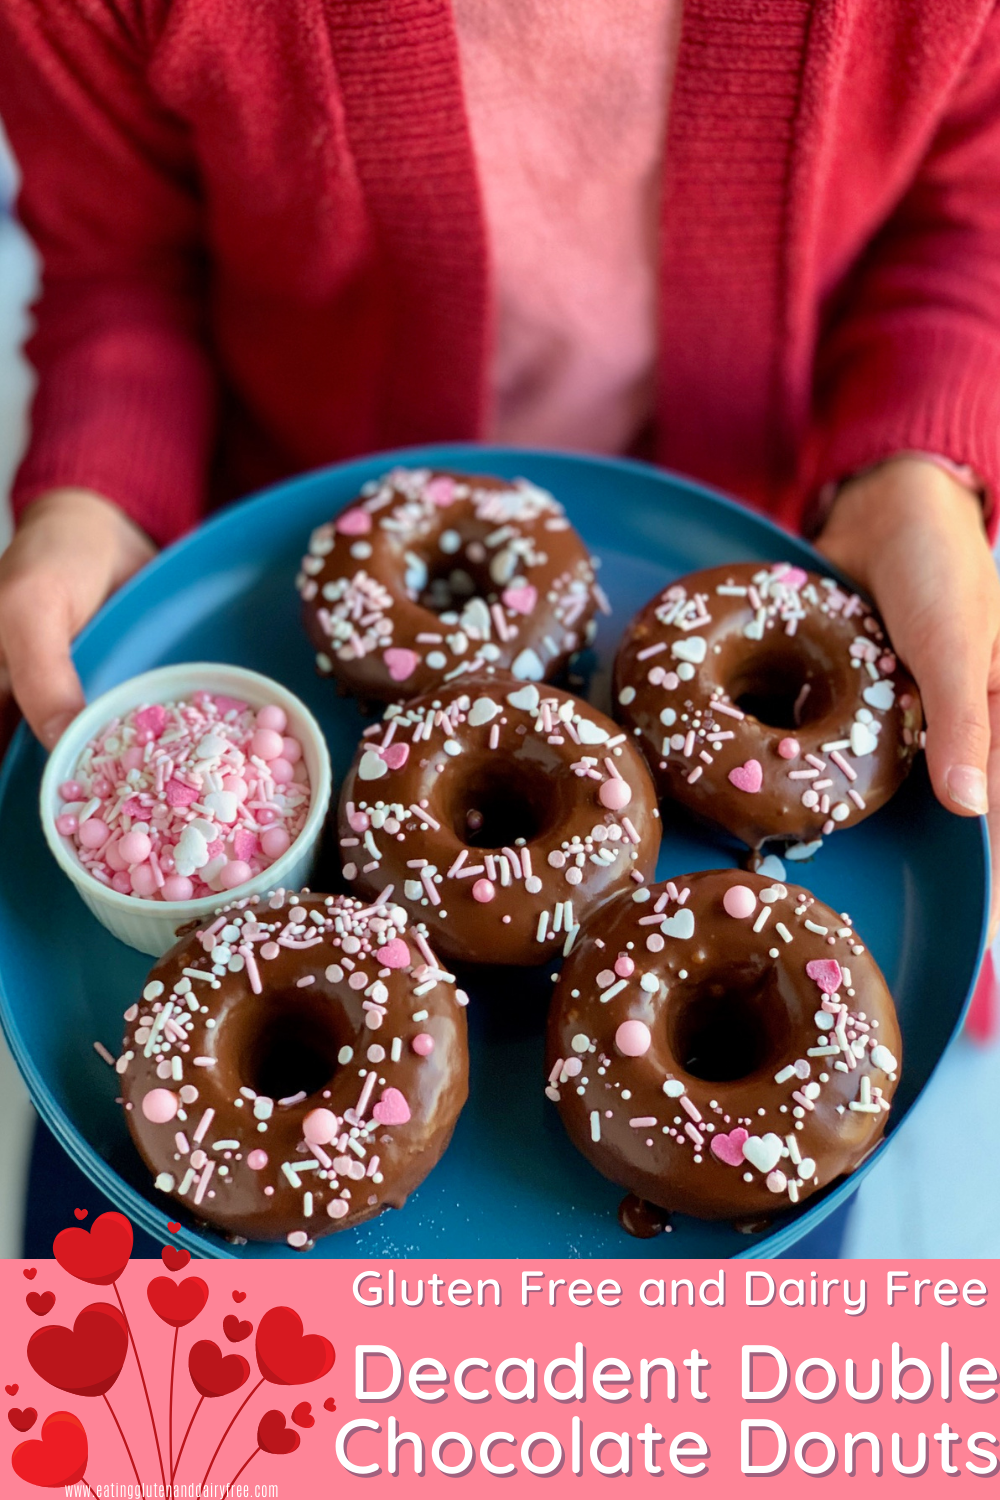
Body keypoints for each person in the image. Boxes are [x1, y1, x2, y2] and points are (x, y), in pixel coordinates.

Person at [0, 0, 999, 942]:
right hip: (275, 539)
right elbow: (121, 268)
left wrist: (914, 476)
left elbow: (967, 226)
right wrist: (95, 500)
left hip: (780, 547)